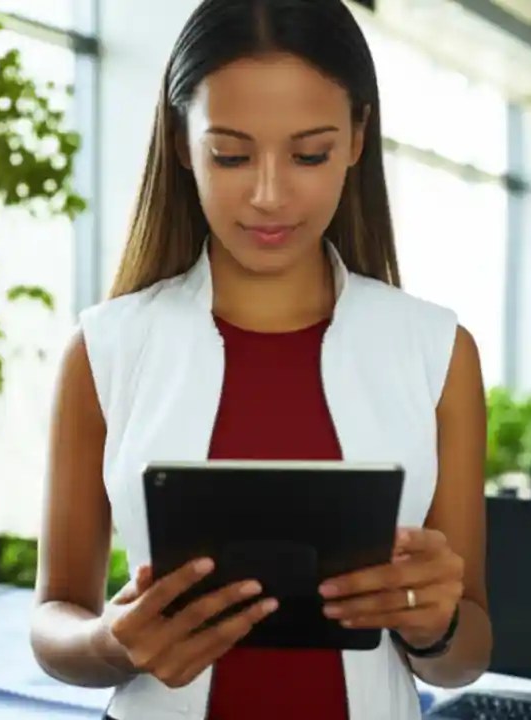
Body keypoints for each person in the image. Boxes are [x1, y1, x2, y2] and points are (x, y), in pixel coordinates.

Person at [28, 0, 492, 718]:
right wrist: (114, 642)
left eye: (310, 154)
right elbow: (55, 615)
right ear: (182, 143)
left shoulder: (437, 351)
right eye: (231, 154)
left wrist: (437, 624)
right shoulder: (105, 348)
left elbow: (469, 652)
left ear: (358, 139)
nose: (271, 195)